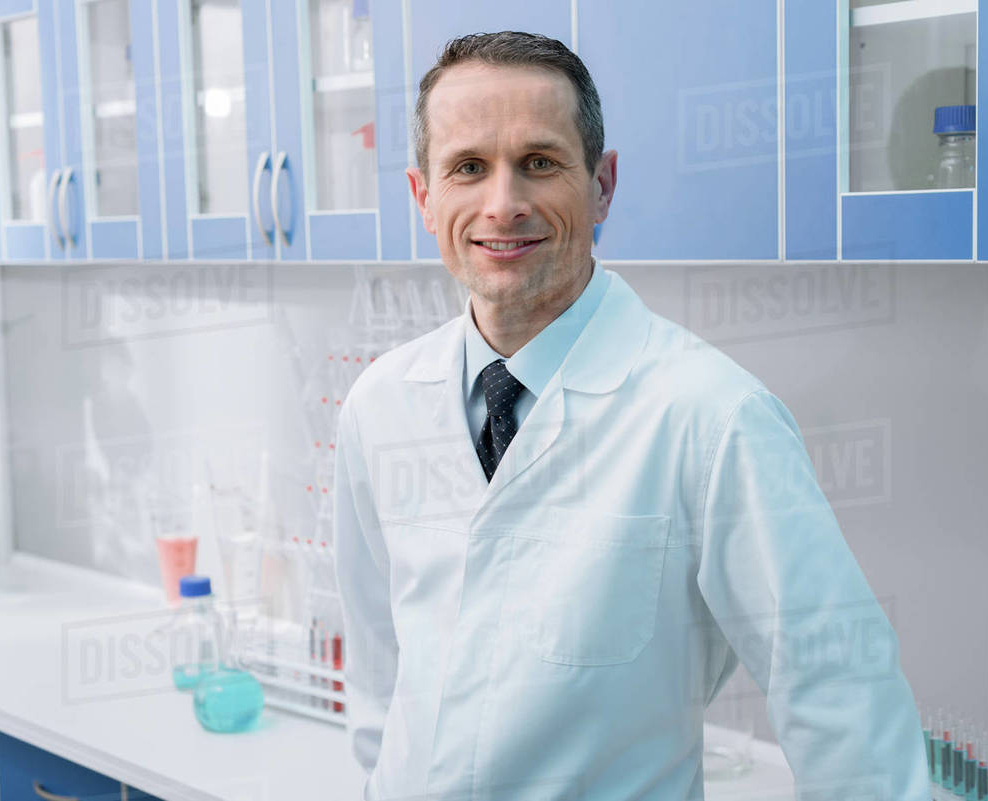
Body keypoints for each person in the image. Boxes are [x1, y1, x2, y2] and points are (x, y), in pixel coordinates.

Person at [333, 30, 930, 801]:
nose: (503, 204)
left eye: (540, 163)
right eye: (468, 168)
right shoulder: (379, 404)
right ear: (423, 196)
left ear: (603, 185)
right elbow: (381, 680)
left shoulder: (713, 417)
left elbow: (845, 704)